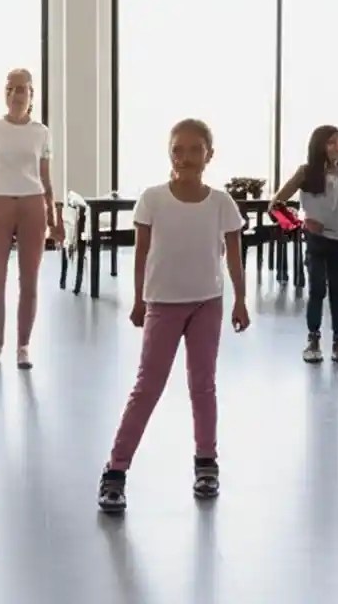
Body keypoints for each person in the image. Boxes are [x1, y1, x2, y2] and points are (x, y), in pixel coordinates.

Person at [97, 118, 249, 513]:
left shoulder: (221, 203)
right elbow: (141, 252)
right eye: (178, 149)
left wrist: (241, 299)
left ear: (209, 155)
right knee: (147, 386)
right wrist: (138, 300)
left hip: (207, 304)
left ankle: (206, 463)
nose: (186, 157)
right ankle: (115, 470)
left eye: (195, 149)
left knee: (203, 385)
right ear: (169, 153)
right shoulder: (152, 199)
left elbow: (234, 255)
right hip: (163, 304)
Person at [0, 68, 64, 370]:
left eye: (22, 89)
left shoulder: (41, 132)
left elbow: (46, 178)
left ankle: (23, 346)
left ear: (31, 95)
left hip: (32, 205)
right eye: (10, 89)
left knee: (30, 280)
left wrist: (54, 216)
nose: (15, 95)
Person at [270, 125, 338, 364]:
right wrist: (301, 222)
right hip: (317, 241)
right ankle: (313, 339)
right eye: (332, 142)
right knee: (317, 289)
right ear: (320, 145)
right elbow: (275, 204)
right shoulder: (306, 172)